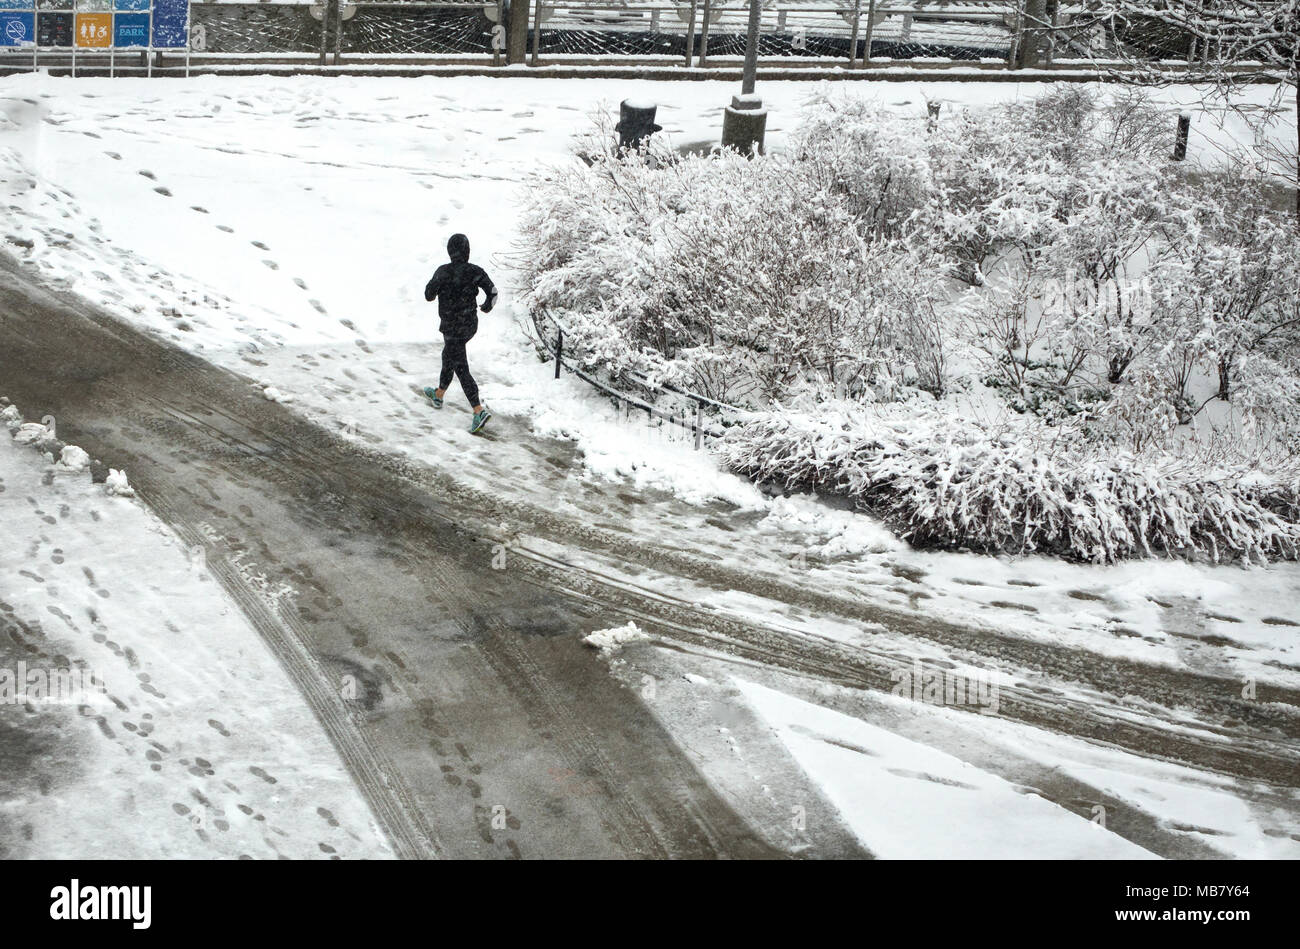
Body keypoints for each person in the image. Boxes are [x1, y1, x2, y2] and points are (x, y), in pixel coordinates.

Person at [423, 233, 498, 433]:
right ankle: (438, 394)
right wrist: (486, 306)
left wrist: (437, 285)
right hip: (469, 325)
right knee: (449, 355)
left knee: (459, 365)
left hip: (450, 326)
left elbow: (428, 295)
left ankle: (478, 410)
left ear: (450, 252)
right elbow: (493, 292)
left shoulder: (443, 271)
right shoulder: (475, 271)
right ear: (467, 251)